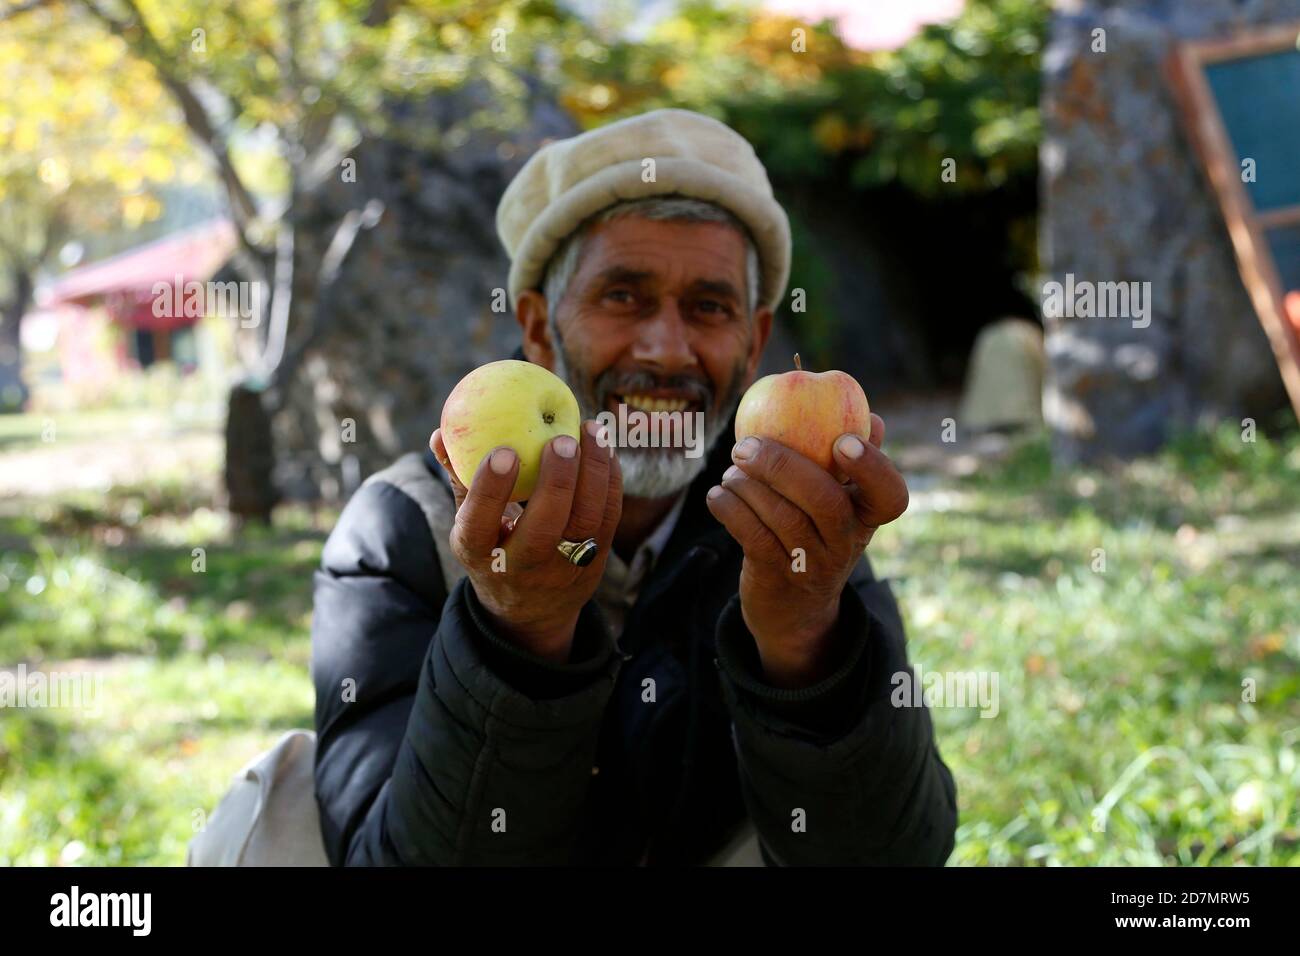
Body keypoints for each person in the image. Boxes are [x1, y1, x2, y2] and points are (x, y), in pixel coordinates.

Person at [310, 108, 957, 865]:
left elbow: (900, 858)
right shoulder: (405, 529)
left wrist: (804, 638)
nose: (666, 348)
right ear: (541, 329)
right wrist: (518, 636)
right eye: (623, 297)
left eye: (708, 308)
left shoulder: (785, 522)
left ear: (752, 347)